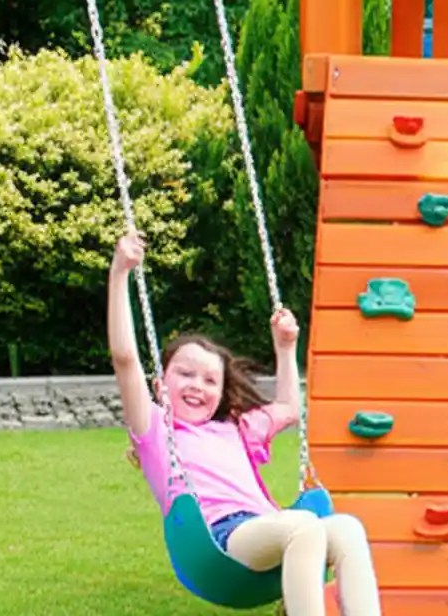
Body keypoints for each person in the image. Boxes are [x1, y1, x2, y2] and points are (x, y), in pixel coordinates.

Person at [108, 231, 381, 616]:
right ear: (159, 385)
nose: (196, 385)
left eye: (209, 380)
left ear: (221, 393)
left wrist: (285, 348)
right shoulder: (156, 430)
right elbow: (124, 358)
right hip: (218, 542)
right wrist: (120, 272)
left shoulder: (236, 429)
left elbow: (288, 407)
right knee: (304, 525)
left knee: (347, 528)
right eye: (185, 374)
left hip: (272, 530)